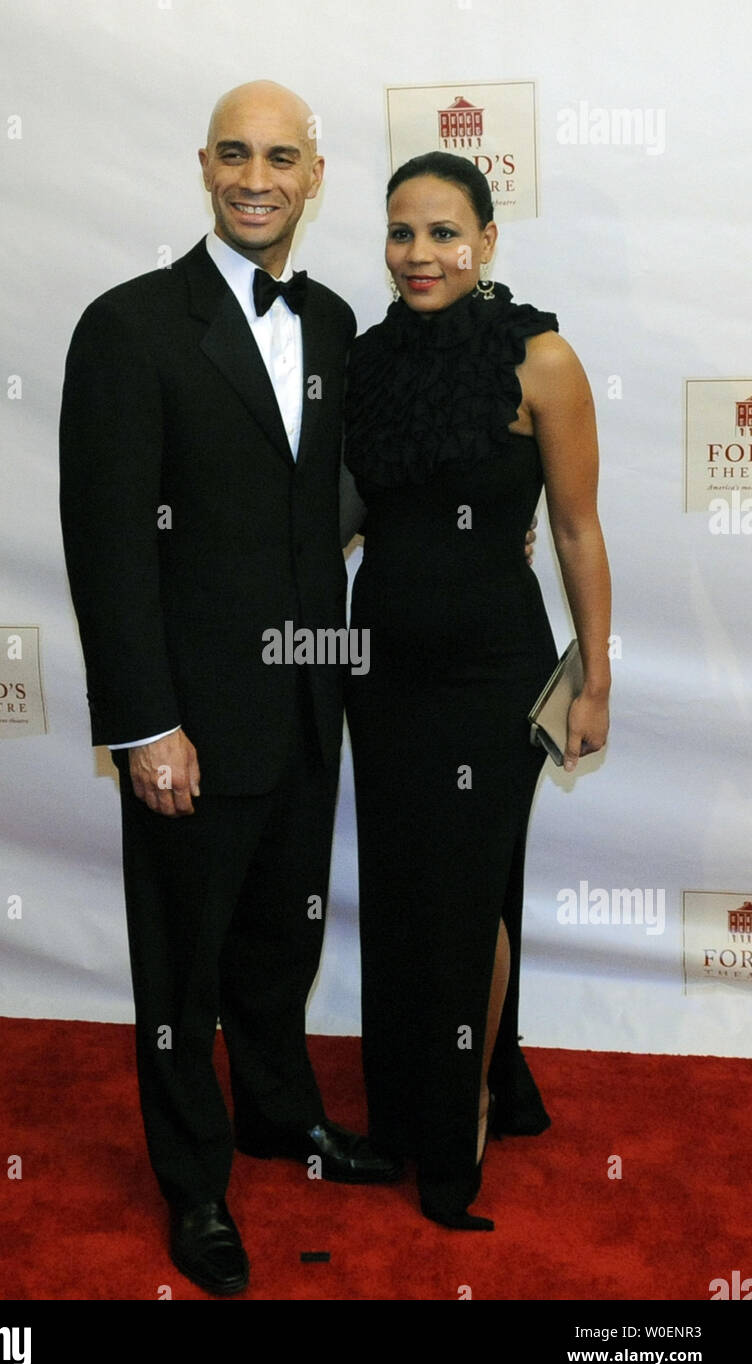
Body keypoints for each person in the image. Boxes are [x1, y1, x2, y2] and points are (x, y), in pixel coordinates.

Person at [58, 80, 401, 1299]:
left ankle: (277, 1119)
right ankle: (195, 1183)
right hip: (191, 725)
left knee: (278, 945)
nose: (257, 178)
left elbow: (335, 499)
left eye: (281, 159)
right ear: (204, 167)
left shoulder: (337, 321)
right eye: (234, 156)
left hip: (309, 703)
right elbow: (106, 544)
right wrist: (145, 724)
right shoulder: (130, 326)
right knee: (181, 968)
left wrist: (477, 520)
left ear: (315, 176)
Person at [342, 152, 611, 1231]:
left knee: (459, 898)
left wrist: (593, 677)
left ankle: (463, 1115)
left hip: (492, 671)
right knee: (409, 895)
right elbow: (345, 519)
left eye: (443, 232)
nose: (419, 254)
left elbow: (578, 528)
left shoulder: (538, 361)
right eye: (401, 232)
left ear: (487, 240)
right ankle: (414, 1102)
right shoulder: (362, 362)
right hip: (382, 671)